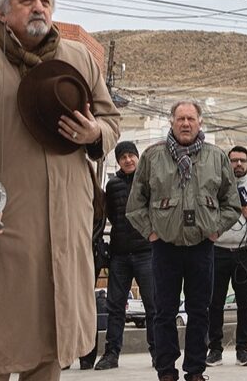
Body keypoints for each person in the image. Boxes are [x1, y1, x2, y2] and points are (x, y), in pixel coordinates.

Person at [0, 0, 121, 381]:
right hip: (7, 231)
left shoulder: (79, 58)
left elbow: (111, 123)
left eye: (45, 0)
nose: (38, 8)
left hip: (67, 227)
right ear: (0, 14)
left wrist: (94, 132)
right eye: (26, 0)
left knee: (51, 349)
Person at [125, 100, 240, 381]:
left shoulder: (216, 157)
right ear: (172, 122)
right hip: (164, 248)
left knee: (200, 311)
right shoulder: (153, 157)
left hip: (202, 247)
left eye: (191, 118)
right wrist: (152, 233)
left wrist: (215, 230)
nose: (186, 123)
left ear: (200, 122)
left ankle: (195, 370)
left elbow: (232, 204)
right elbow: (134, 206)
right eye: (180, 119)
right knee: (163, 311)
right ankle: (165, 370)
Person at [95, 140, 156, 371]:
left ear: (138, 157)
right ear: (118, 161)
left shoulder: (149, 182)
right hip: (119, 255)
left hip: (146, 253)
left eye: (132, 155)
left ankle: (157, 353)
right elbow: (107, 215)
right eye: (123, 157)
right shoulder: (112, 185)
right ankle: (111, 354)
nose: (128, 160)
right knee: (115, 307)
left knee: (153, 306)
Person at [207, 145, 247, 368]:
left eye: (242, 160)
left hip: (246, 252)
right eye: (234, 161)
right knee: (214, 303)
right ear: (227, 163)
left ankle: (243, 350)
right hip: (218, 252)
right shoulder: (217, 186)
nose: (238, 164)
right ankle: (214, 350)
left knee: (245, 303)